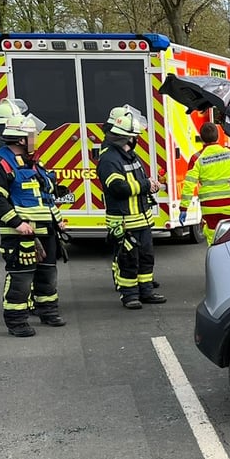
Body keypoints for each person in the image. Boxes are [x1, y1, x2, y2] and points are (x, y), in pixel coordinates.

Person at [0, 112, 65, 336]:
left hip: (45, 229)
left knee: (47, 274)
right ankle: (16, 321)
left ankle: (48, 311)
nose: (34, 139)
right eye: (31, 136)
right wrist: (17, 223)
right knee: (20, 278)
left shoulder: (34, 163)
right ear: (20, 139)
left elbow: (45, 196)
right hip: (20, 233)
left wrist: (58, 220)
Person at [97, 104, 166, 309]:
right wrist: (146, 185)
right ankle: (129, 295)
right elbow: (118, 188)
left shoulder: (128, 155)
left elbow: (136, 181)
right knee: (128, 259)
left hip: (141, 218)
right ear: (126, 137)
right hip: (125, 221)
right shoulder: (109, 159)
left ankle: (146, 291)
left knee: (146, 257)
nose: (136, 139)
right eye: (134, 135)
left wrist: (149, 185)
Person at [179, 123, 230, 246]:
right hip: (229, 203)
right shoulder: (229, 153)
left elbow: (189, 185)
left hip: (209, 204)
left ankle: (215, 259)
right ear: (218, 136)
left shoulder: (196, 158)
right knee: (229, 235)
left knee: (212, 236)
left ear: (201, 138)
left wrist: (184, 208)